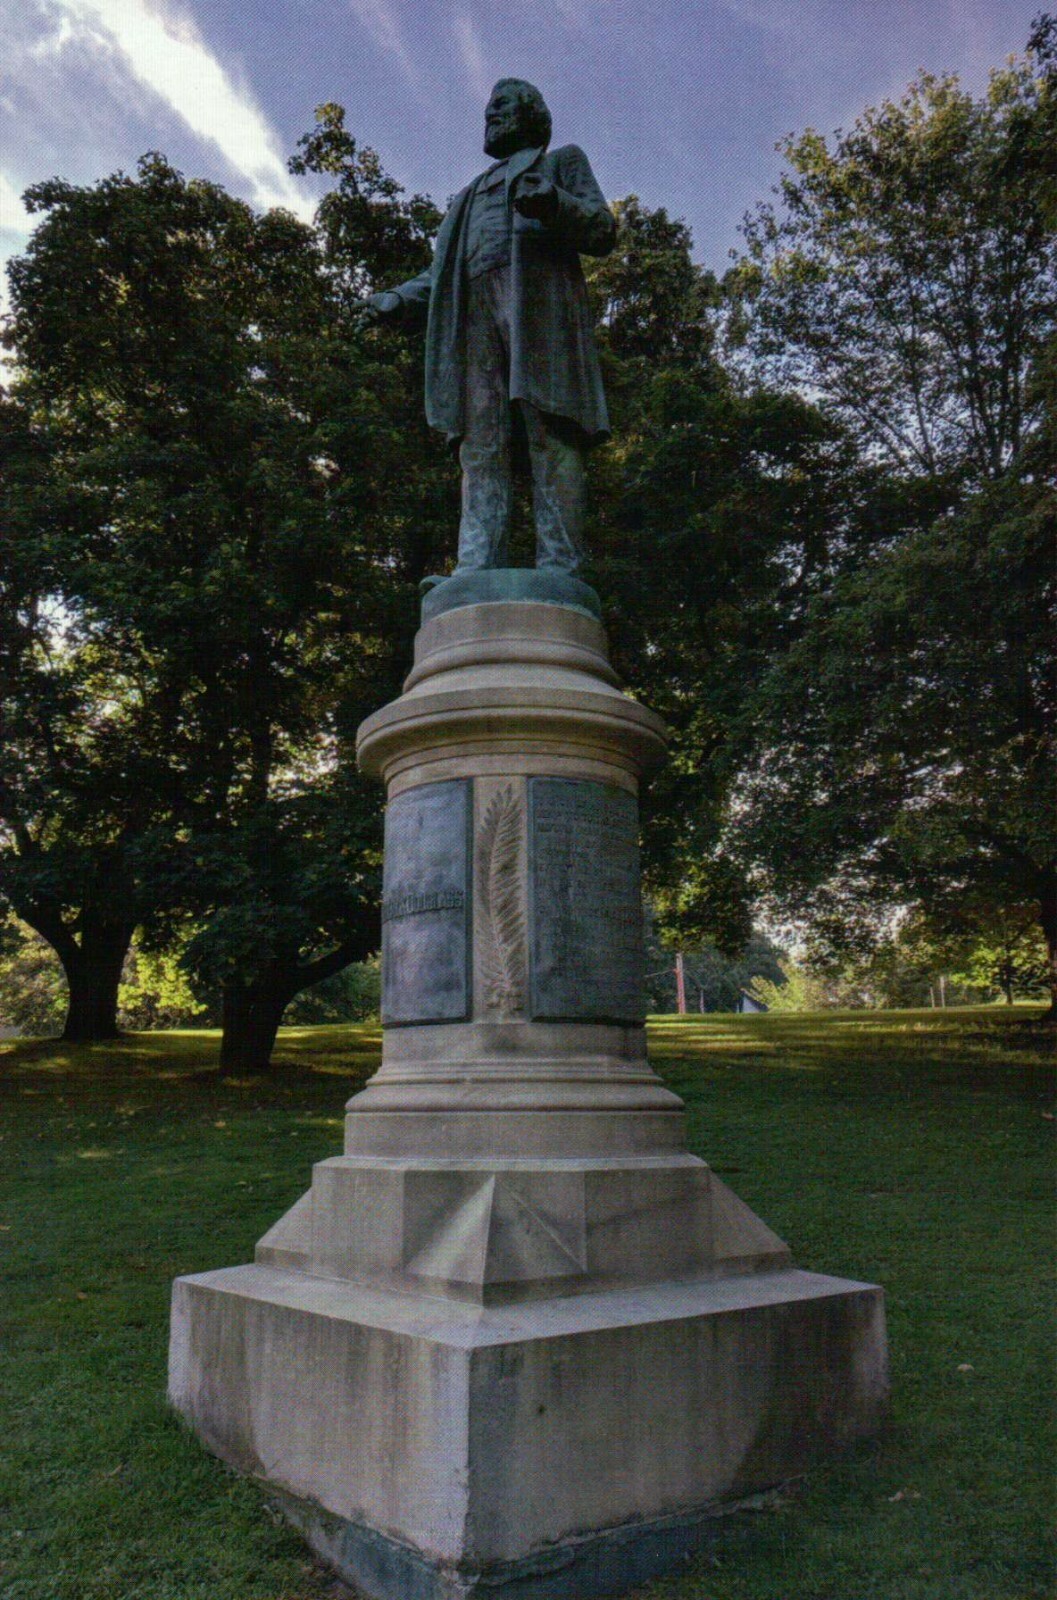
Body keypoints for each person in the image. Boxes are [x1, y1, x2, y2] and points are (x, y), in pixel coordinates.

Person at [362, 78, 616, 575]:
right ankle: (476, 567)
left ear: (531, 115)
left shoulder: (560, 161)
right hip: (472, 312)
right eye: (488, 108)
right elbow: (441, 276)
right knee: (480, 445)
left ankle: (560, 568)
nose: (490, 115)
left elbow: (603, 230)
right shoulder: (467, 196)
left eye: (501, 107)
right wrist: (396, 300)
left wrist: (555, 204)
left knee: (550, 431)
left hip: (536, 310)